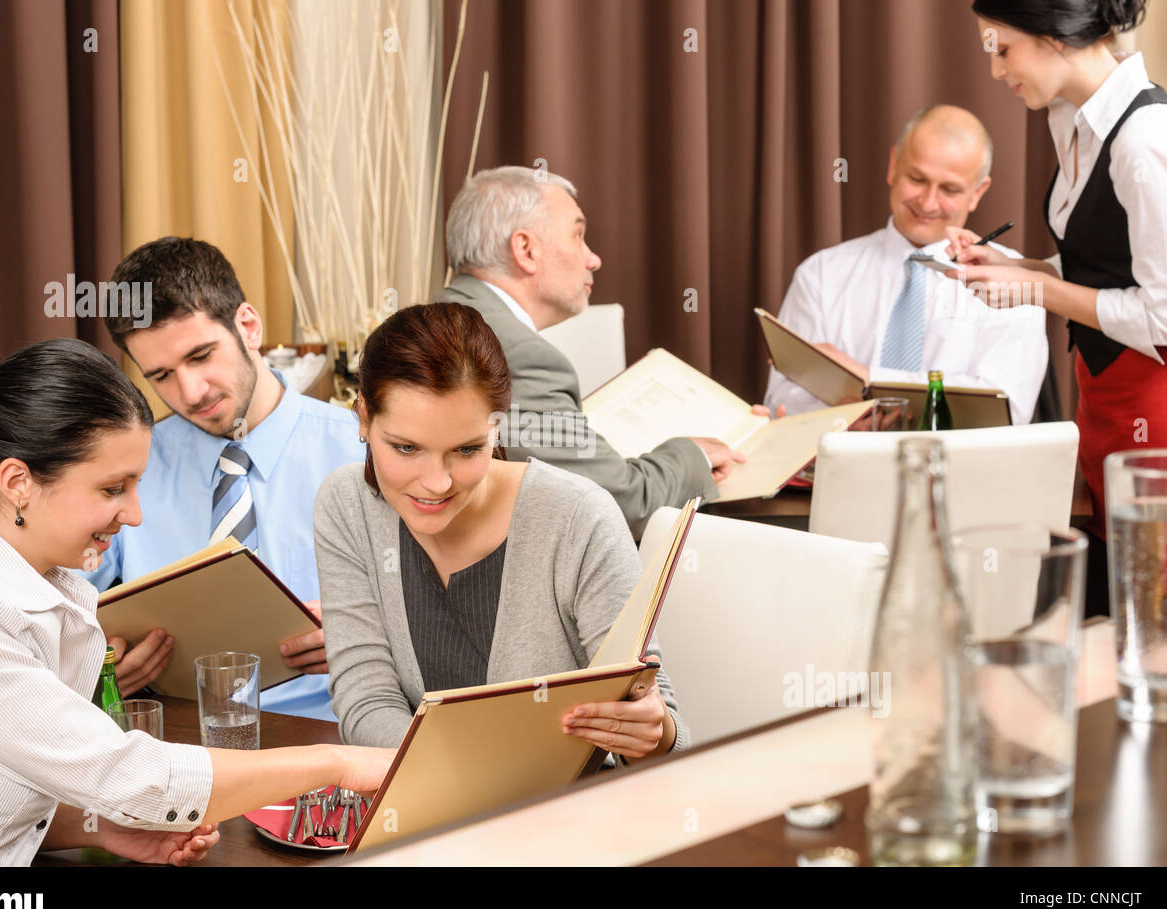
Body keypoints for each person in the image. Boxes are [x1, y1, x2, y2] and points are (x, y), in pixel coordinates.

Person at [0, 339, 392, 866]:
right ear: (18, 482)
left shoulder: (42, 590)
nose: (134, 514)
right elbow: (132, 775)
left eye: (137, 487)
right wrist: (338, 763)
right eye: (113, 489)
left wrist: (104, 828)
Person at [315, 302, 691, 759]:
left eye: (467, 449)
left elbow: (661, 733)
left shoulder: (578, 518)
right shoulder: (347, 506)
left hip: (572, 813)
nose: (437, 482)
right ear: (362, 419)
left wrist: (653, 732)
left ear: (497, 431)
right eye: (406, 448)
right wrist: (475, 779)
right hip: (423, 811)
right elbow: (366, 704)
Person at [951, 0, 1167, 613]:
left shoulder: (1149, 139)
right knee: (1126, 608)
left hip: (1166, 414)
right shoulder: (1072, 118)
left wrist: (1038, 290)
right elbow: (1113, 264)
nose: (996, 71)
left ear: (1055, 36)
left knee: (1162, 621)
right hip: (1107, 399)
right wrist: (1022, 268)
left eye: (1002, 50)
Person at [85, 237, 363, 719]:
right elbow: (57, 615)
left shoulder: (361, 454)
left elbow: (444, 616)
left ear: (248, 327)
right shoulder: (128, 468)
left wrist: (369, 636)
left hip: (329, 734)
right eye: (161, 376)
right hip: (173, 747)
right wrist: (100, 669)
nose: (190, 392)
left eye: (200, 356)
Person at [436, 166, 774, 541]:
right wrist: (693, 454)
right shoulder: (518, 354)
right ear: (526, 249)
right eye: (578, 235)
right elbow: (617, 506)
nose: (593, 258)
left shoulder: (434, 320)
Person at [764, 105, 1049, 427]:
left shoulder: (1013, 283)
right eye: (917, 179)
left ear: (977, 193)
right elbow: (781, 398)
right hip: (840, 468)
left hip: (964, 474)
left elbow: (1006, 408)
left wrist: (868, 378)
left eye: (950, 189)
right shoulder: (820, 274)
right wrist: (838, 423)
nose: (928, 203)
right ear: (893, 167)